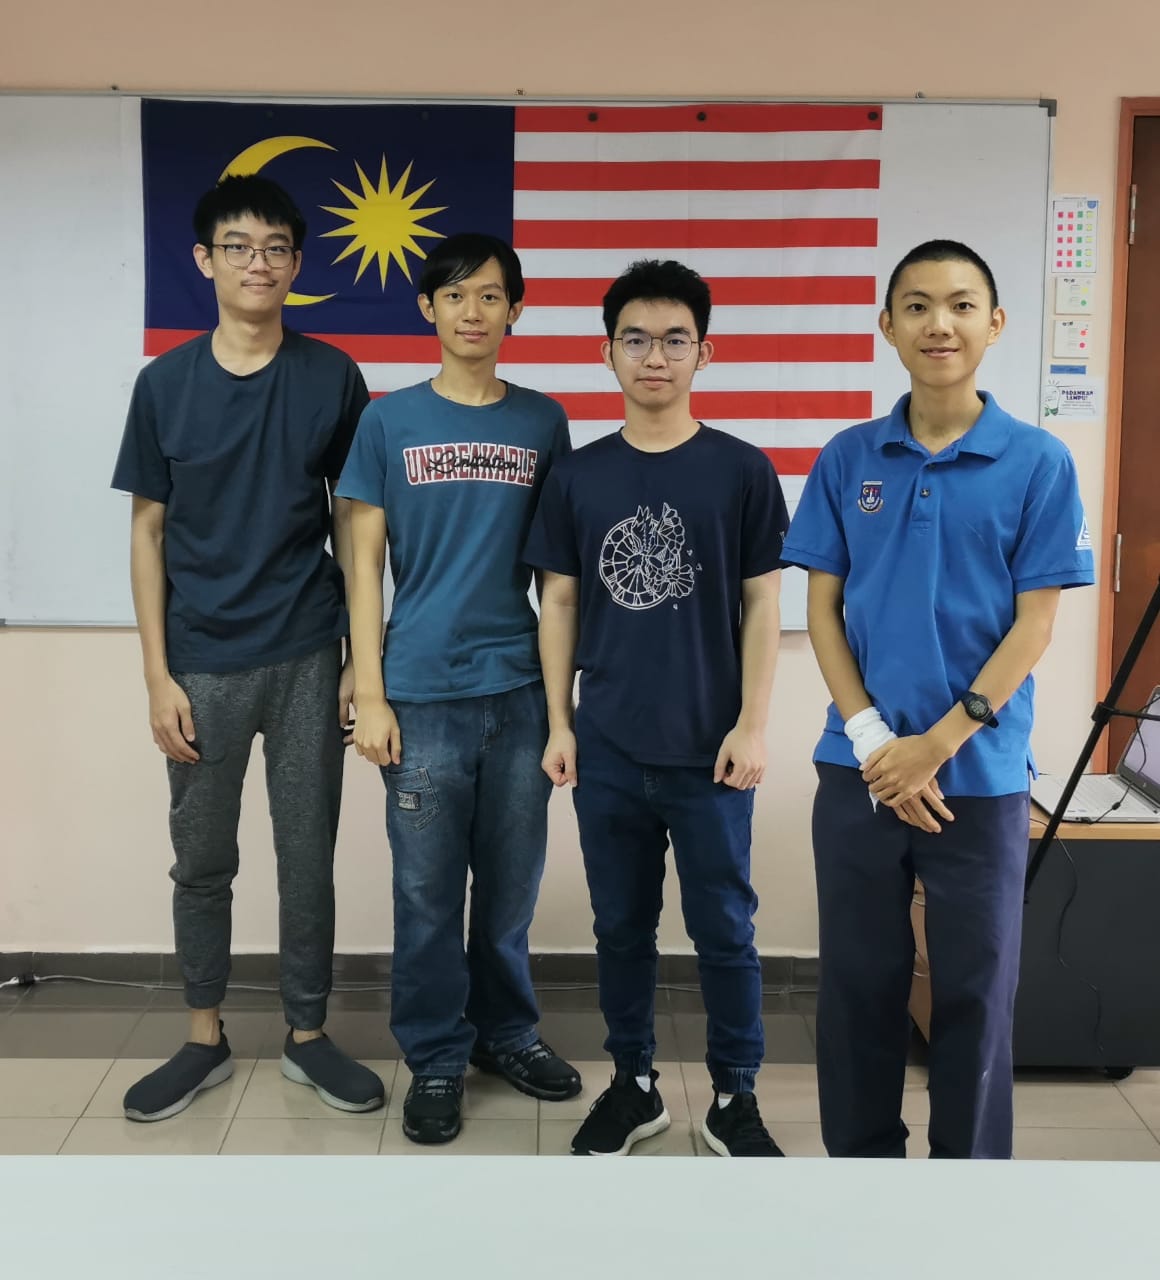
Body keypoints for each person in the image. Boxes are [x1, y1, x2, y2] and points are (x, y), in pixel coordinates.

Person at [781, 240, 1095, 1159]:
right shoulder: (848, 457)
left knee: (975, 990)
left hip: (981, 777)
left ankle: (968, 1192)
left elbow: (1034, 625)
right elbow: (824, 610)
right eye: (916, 306)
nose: (938, 324)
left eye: (961, 305)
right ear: (888, 327)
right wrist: (880, 738)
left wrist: (939, 744)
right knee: (859, 986)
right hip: (860, 770)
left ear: (995, 325)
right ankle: (864, 1175)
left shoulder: (1038, 462)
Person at [111, 174, 384, 1121]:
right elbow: (147, 533)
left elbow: (357, 527)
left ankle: (308, 1036)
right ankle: (204, 1034)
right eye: (237, 246)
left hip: (308, 650)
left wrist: (360, 657)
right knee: (202, 860)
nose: (257, 261)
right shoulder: (164, 385)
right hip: (200, 663)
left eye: (274, 246)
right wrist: (156, 676)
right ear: (205, 260)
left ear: (296, 264)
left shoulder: (331, 377)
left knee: (308, 855)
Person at [525, 259, 789, 1157]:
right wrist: (561, 725)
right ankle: (633, 1084)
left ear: (705, 353)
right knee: (620, 929)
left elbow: (763, 604)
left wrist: (752, 725)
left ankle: (734, 1094)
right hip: (607, 746)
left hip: (712, 752)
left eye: (676, 340)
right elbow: (557, 602)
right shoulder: (578, 476)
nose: (655, 356)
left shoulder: (743, 472)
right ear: (608, 353)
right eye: (635, 339)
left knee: (726, 930)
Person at [336, 232, 581, 1145]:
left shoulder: (542, 422)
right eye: (454, 295)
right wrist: (371, 693)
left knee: (511, 889)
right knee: (428, 892)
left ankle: (507, 1036)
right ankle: (437, 1057)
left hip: (517, 688)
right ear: (426, 310)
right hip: (421, 691)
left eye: (489, 296)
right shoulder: (388, 422)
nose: (471, 312)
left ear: (516, 311)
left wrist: (560, 713)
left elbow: (558, 579)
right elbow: (361, 565)